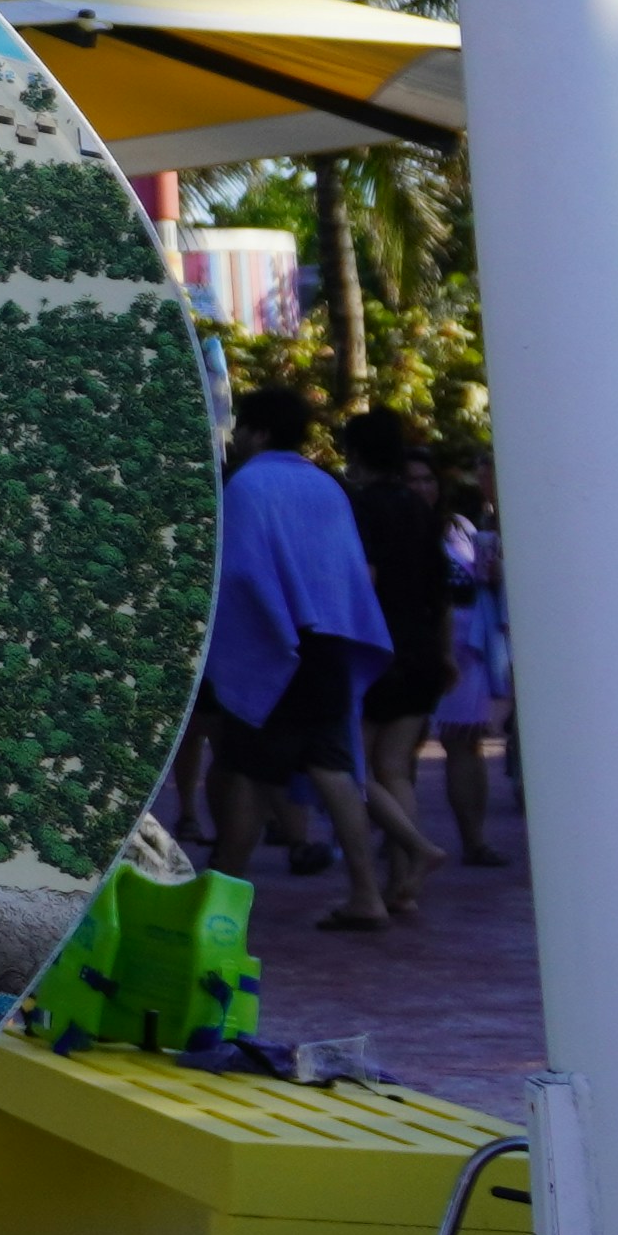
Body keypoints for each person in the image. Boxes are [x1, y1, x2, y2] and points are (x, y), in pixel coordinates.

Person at [203, 373, 416, 931]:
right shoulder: (327, 486)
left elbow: (241, 575)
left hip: (275, 645)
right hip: (330, 645)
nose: (236, 436)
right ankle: (366, 892)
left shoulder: (247, 487)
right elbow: (347, 571)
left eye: (242, 427)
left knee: (249, 773)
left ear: (259, 431)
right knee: (333, 769)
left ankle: (221, 895)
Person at [342, 409, 462, 906]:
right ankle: (404, 884)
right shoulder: (420, 509)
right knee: (394, 767)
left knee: (354, 766)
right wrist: (445, 652)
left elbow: (364, 579)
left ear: (356, 453)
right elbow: (441, 591)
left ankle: (414, 851)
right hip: (422, 650)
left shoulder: (361, 506)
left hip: (377, 652)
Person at [427, 447, 517, 866]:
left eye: (427, 478)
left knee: (465, 740)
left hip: (466, 643)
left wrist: (497, 573)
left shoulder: (460, 528)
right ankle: (398, 837)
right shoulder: (404, 526)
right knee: (398, 747)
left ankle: (473, 840)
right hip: (420, 641)